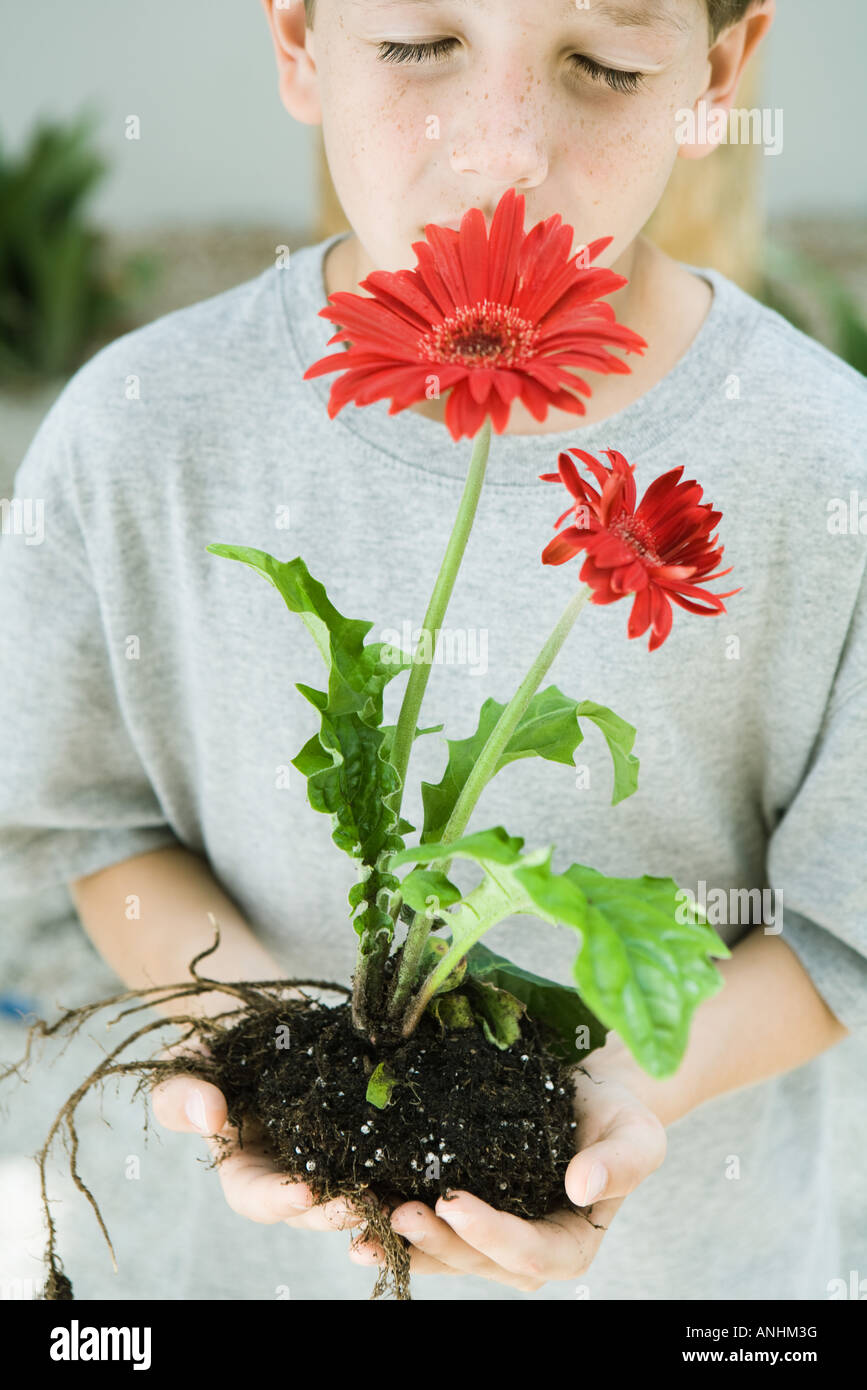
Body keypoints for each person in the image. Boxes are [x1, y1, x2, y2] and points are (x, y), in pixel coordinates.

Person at [1, 0, 865, 1300]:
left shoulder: (827, 465)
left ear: (718, 73)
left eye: (605, 65)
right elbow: (83, 826)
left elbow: (843, 913)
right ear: (299, 40)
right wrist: (256, 1048)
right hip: (240, 1275)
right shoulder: (139, 433)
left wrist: (625, 1089)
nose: (504, 151)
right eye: (418, 43)